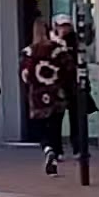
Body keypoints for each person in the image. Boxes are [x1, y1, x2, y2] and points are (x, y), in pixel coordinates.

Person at [23, 19, 71, 176]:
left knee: (41, 127)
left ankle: (48, 149)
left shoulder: (29, 52)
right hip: (56, 93)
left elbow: (25, 76)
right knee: (55, 125)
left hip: (37, 95)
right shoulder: (58, 50)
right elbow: (69, 69)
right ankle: (57, 154)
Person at [53, 14, 85, 157]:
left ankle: (77, 147)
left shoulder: (75, 40)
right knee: (56, 118)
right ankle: (57, 149)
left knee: (76, 116)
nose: (64, 29)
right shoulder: (52, 42)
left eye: (66, 26)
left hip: (73, 83)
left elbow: (80, 57)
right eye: (61, 26)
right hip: (57, 84)